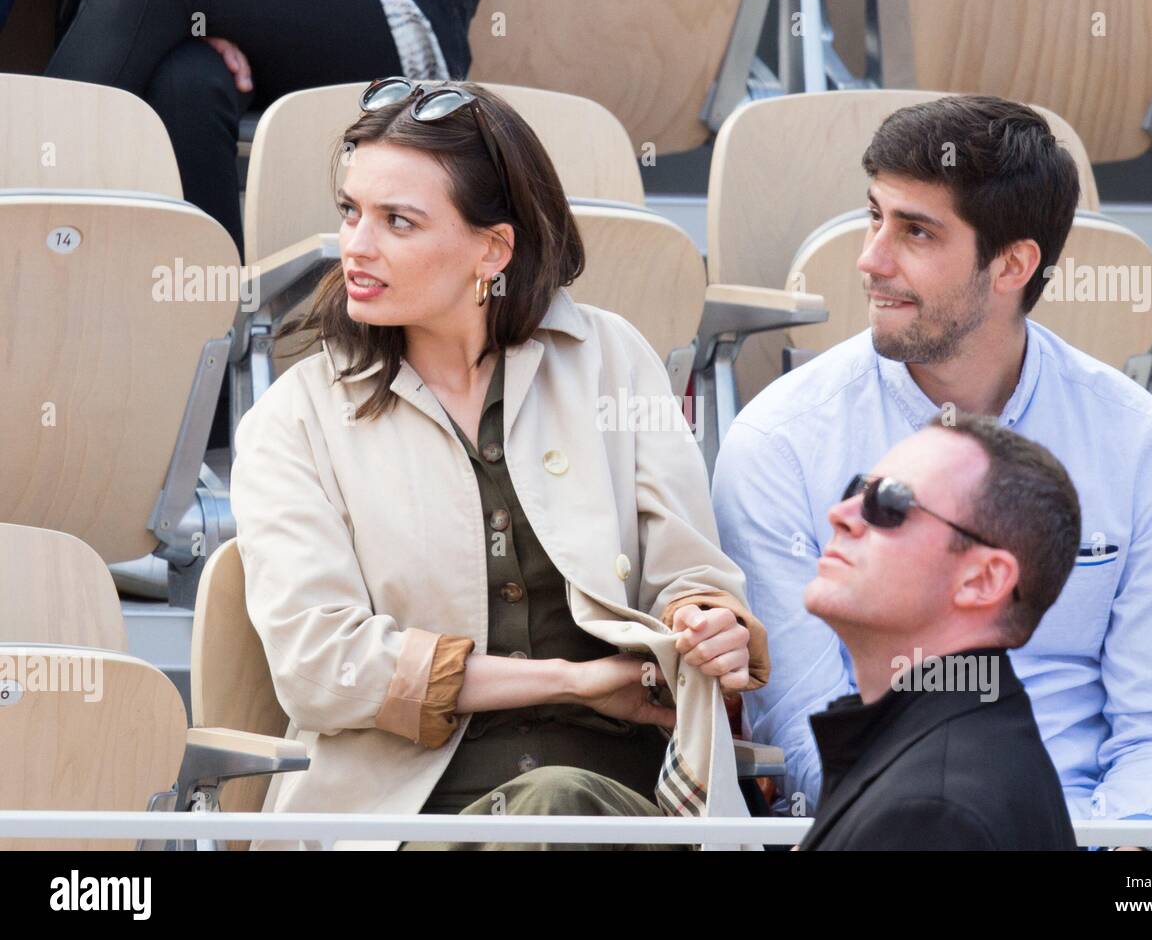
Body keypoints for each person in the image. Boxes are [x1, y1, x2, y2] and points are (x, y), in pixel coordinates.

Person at [229, 79, 769, 850]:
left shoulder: (613, 360)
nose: (356, 245)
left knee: (562, 807)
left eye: (397, 222)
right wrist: (573, 680)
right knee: (551, 807)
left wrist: (706, 621)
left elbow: (689, 571)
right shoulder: (294, 419)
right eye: (351, 212)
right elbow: (320, 663)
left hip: (624, 798)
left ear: (493, 248)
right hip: (403, 820)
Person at [713, 95, 1152, 835]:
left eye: (915, 232)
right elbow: (813, 734)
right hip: (901, 827)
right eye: (874, 216)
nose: (871, 258)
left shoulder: (1149, 448)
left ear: (1014, 263)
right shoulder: (778, 443)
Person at [800, 414, 1080, 851]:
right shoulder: (941, 762)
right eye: (856, 490)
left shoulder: (929, 815)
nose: (840, 515)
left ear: (983, 580)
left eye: (889, 502)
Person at [46, 0, 482, 257]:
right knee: (186, 83)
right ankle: (210, 353)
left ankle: (25, 199)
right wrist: (209, 19)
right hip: (237, 10)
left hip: (392, 11)